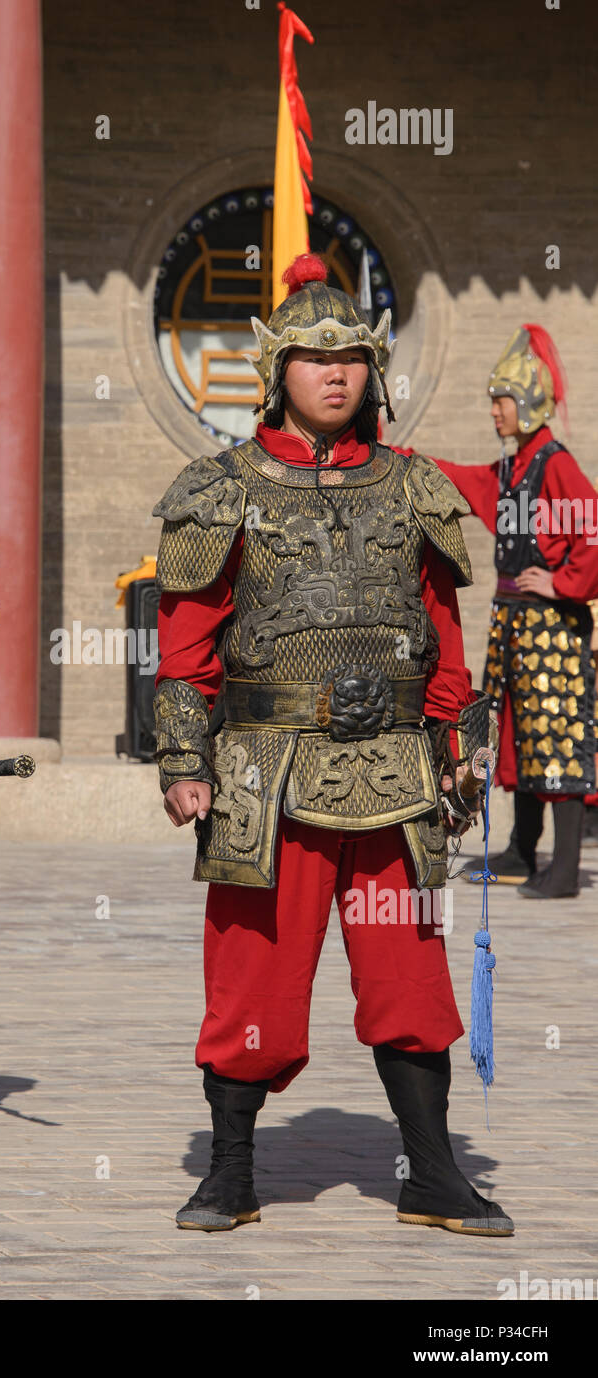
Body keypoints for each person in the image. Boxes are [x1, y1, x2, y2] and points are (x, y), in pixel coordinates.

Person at [152, 254, 513, 1236]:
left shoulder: (414, 488)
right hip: (265, 775)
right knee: (251, 983)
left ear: (370, 369)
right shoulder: (219, 488)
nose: (334, 373)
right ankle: (229, 1170)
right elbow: (183, 655)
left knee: (410, 979)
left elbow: (442, 639)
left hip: (396, 776)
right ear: (278, 370)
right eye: (313, 358)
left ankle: (431, 1172)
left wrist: (458, 746)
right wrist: (183, 766)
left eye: (349, 355)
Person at [430, 326, 598, 897]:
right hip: (514, 624)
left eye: (501, 401)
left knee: (555, 733)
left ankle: (568, 869)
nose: (494, 412)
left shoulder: (554, 464)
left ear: (526, 403)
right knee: (518, 736)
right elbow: (462, 478)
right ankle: (524, 852)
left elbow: (591, 530)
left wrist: (563, 583)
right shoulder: (512, 470)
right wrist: (401, 460)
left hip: (550, 628)